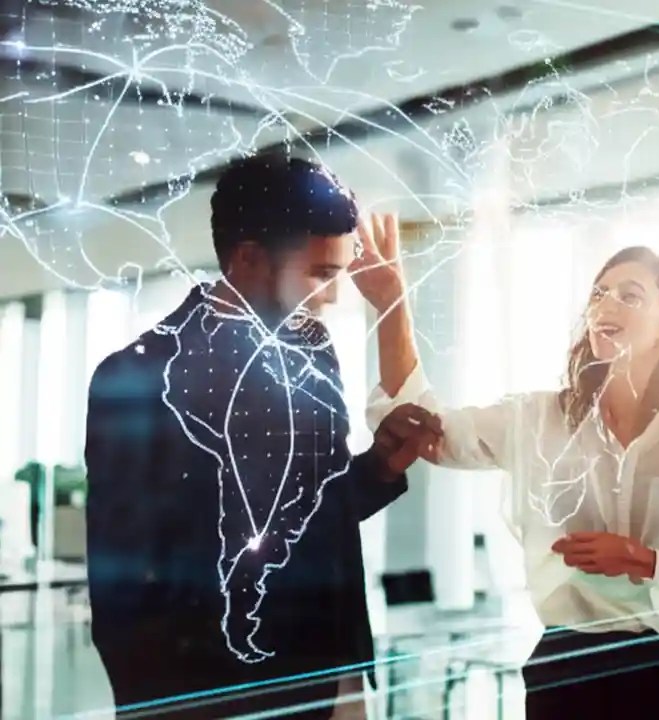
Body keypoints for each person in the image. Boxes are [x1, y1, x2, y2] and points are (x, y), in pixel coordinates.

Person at [85, 155, 435, 719]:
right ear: (248, 258)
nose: (333, 297)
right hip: (213, 694)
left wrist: (380, 469)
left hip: (326, 673)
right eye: (321, 274)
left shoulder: (312, 352)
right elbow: (120, 582)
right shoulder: (134, 378)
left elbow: (316, 511)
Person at [356, 227, 659, 720]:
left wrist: (644, 560)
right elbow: (419, 426)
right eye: (599, 293)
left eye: (630, 296)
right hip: (565, 673)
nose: (606, 304)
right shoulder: (536, 419)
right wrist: (391, 304)